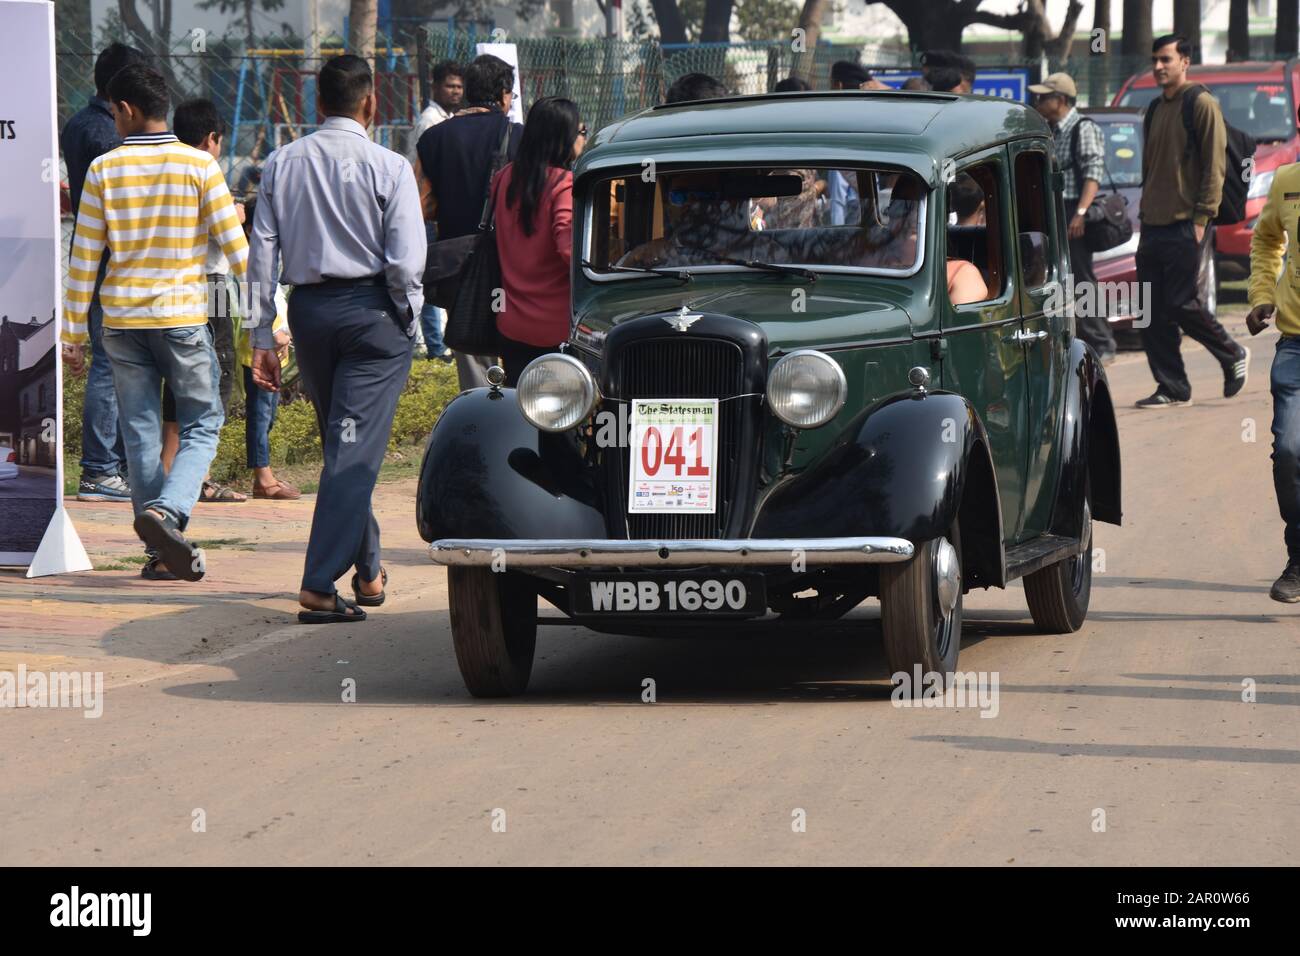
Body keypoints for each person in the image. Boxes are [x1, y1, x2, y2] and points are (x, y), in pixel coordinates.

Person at [247, 54, 424, 624]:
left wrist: (259, 335)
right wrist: (408, 318)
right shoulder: (390, 166)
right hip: (373, 314)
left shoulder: (280, 163)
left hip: (310, 313)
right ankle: (319, 583)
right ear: (371, 104)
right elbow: (405, 263)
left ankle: (368, 571)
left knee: (345, 446)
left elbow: (261, 258)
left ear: (316, 103)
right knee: (351, 452)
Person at [61, 63, 248, 582]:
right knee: (203, 422)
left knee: (139, 433)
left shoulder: (102, 170)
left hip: (120, 322)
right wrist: (264, 320)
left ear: (125, 109)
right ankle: (168, 515)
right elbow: (239, 253)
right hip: (183, 318)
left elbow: (84, 259)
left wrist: (72, 335)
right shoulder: (199, 166)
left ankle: (159, 553)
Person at [1134, 34, 1249, 408]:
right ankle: (1172, 386)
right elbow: (1150, 169)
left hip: (1187, 223)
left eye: (1166, 59)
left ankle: (1231, 353)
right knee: (1150, 309)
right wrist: (1144, 216)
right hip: (1153, 224)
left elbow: (1215, 167)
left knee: (1182, 302)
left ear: (1185, 61)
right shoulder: (1153, 109)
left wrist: (1202, 219)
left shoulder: (1201, 103)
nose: (1158, 67)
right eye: (1155, 60)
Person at [60, 41, 146, 504]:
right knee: (110, 365)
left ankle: (109, 468)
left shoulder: (78, 123)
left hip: (93, 255)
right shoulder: (108, 134)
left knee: (110, 363)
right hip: (113, 259)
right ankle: (98, 470)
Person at [417, 54, 523, 389]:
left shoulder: (433, 139)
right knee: (517, 352)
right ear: (504, 94)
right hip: (515, 266)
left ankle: (482, 428)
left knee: (474, 365)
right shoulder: (520, 136)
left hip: (459, 267)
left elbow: (420, 204)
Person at [163, 98, 248, 501]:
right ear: (211, 139)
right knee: (217, 375)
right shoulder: (206, 169)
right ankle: (198, 477)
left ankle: (169, 473)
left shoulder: (165, 164)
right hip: (211, 284)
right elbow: (223, 234)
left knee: (175, 386)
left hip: (175, 283)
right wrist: (236, 217)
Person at [492, 97, 586, 385]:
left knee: (522, 406)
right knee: (561, 418)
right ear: (564, 137)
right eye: (581, 131)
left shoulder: (505, 177)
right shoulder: (563, 184)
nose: (584, 138)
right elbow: (569, 249)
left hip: (510, 323)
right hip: (556, 329)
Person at [1031, 72, 1117, 362]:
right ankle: (1074, 338)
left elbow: (1092, 174)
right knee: (1062, 277)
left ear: (1062, 100)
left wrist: (1079, 213)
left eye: (1045, 96)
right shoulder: (1053, 129)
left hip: (1073, 211)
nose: (1039, 101)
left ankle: (1103, 342)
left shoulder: (1083, 128)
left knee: (1082, 277)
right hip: (1058, 211)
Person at [1245, 155, 1300, 602]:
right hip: (1295, 345)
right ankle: (1298, 559)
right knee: (1288, 451)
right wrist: (1263, 294)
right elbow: (1265, 242)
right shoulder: (1287, 181)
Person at [406, 60, 462, 364]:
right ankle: (436, 346)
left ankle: (439, 343)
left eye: (458, 87)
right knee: (430, 276)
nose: (455, 92)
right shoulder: (430, 121)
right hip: (426, 208)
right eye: (449, 86)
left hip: (436, 207)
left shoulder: (448, 118)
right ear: (436, 87)